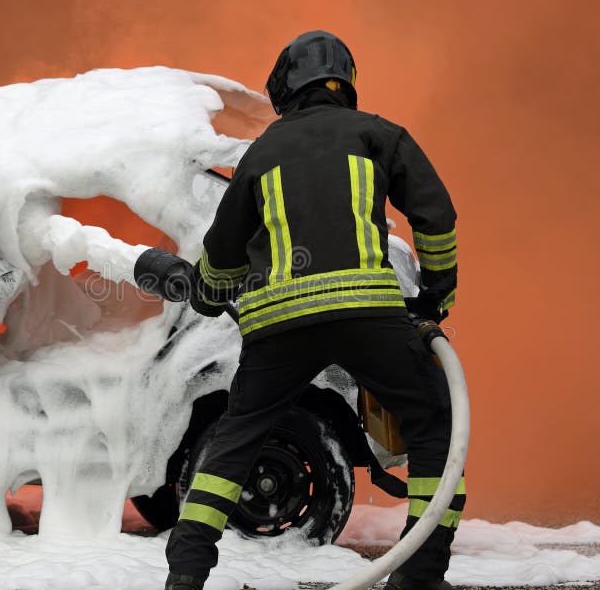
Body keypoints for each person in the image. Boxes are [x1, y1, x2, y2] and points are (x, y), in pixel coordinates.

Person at [164, 30, 463, 590]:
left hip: (278, 327)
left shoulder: (263, 153)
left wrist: (206, 293)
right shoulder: (380, 134)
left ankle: (185, 572)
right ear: (344, 83)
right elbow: (436, 216)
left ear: (285, 87)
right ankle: (420, 573)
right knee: (434, 426)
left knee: (238, 436)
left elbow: (223, 252)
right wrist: (433, 300)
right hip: (368, 317)